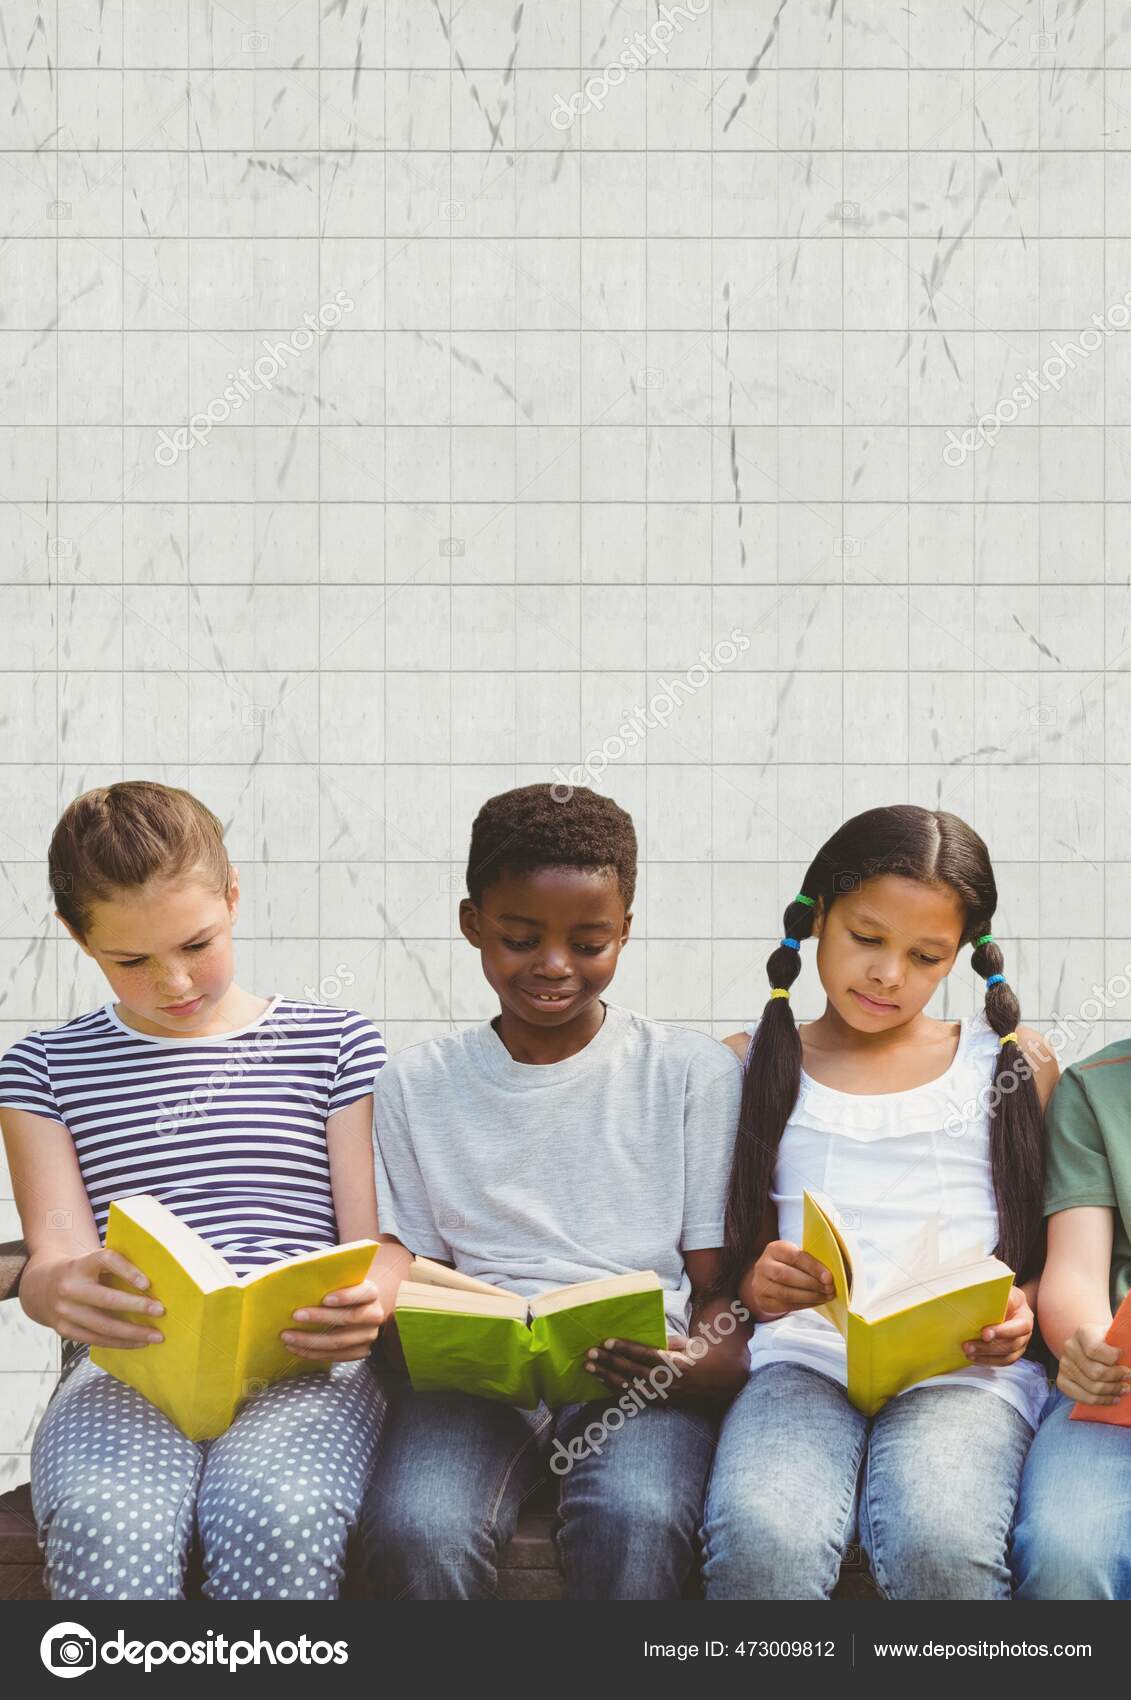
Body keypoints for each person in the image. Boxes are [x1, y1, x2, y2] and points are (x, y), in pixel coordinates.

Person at [0, 781, 391, 1600]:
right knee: (108, 1524)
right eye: (132, 961)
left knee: (276, 1513)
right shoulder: (41, 1068)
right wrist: (57, 1290)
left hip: (303, 1367)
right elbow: (56, 1256)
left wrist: (372, 1301)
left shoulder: (336, 1044)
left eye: (197, 943)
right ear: (77, 938)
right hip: (132, 1368)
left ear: (234, 897)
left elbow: (375, 1244)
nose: (175, 982)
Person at [360, 782, 746, 1599]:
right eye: (520, 937)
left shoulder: (686, 1073)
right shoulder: (416, 1084)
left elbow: (714, 1281)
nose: (554, 966)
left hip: (635, 1376)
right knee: (417, 1526)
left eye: (589, 941)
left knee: (638, 1516)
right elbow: (413, 1272)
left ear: (625, 933)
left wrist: (691, 1363)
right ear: (472, 924)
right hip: (474, 1384)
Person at [700, 803, 1057, 1600]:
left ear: (959, 957)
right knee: (762, 1537)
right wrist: (757, 1285)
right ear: (814, 918)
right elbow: (730, 1266)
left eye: (924, 956)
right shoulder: (749, 1062)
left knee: (942, 1541)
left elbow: (1042, 1255)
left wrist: (1020, 1312)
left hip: (962, 1373)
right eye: (865, 939)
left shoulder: (1007, 1063)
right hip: (804, 1359)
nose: (887, 975)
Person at [1011, 1041, 1131, 1598]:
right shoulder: (1095, 1088)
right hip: (1118, 1392)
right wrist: (1085, 1342)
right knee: (1067, 1554)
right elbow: (1076, 1272)